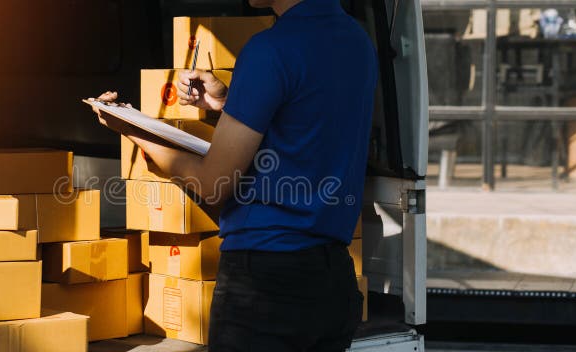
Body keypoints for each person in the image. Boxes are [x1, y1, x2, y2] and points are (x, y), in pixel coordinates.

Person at [94, 0, 377, 350]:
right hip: (332, 281)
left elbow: (213, 184)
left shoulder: (270, 49)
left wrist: (132, 129)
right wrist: (230, 102)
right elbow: (306, 122)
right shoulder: (357, 42)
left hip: (265, 284)